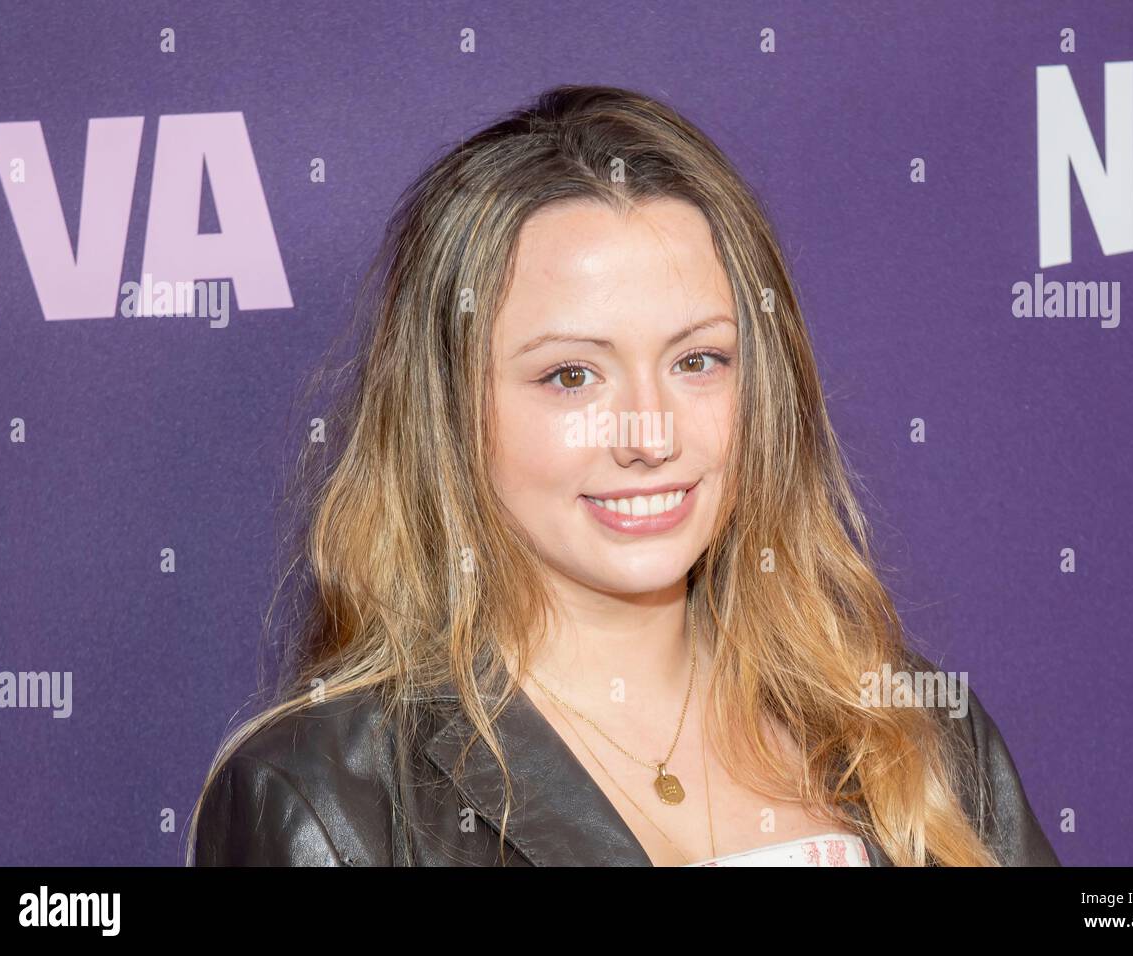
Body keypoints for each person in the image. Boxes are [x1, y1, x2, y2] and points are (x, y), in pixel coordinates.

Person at [188, 84, 1060, 867]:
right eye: (572, 375)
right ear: (448, 413)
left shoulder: (908, 731)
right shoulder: (326, 802)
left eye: (699, 361)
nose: (650, 434)